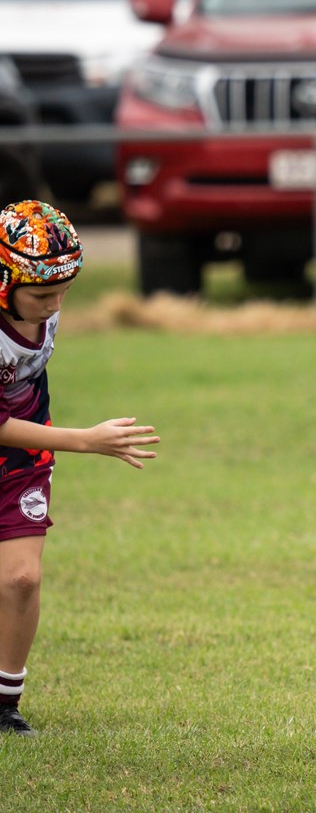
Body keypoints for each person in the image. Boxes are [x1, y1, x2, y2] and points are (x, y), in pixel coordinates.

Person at [0, 200, 159, 736]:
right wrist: (86, 440)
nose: (55, 305)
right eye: (43, 294)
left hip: (23, 457)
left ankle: (4, 703)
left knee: (22, 577)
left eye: (64, 292)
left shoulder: (44, 305)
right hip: (25, 438)